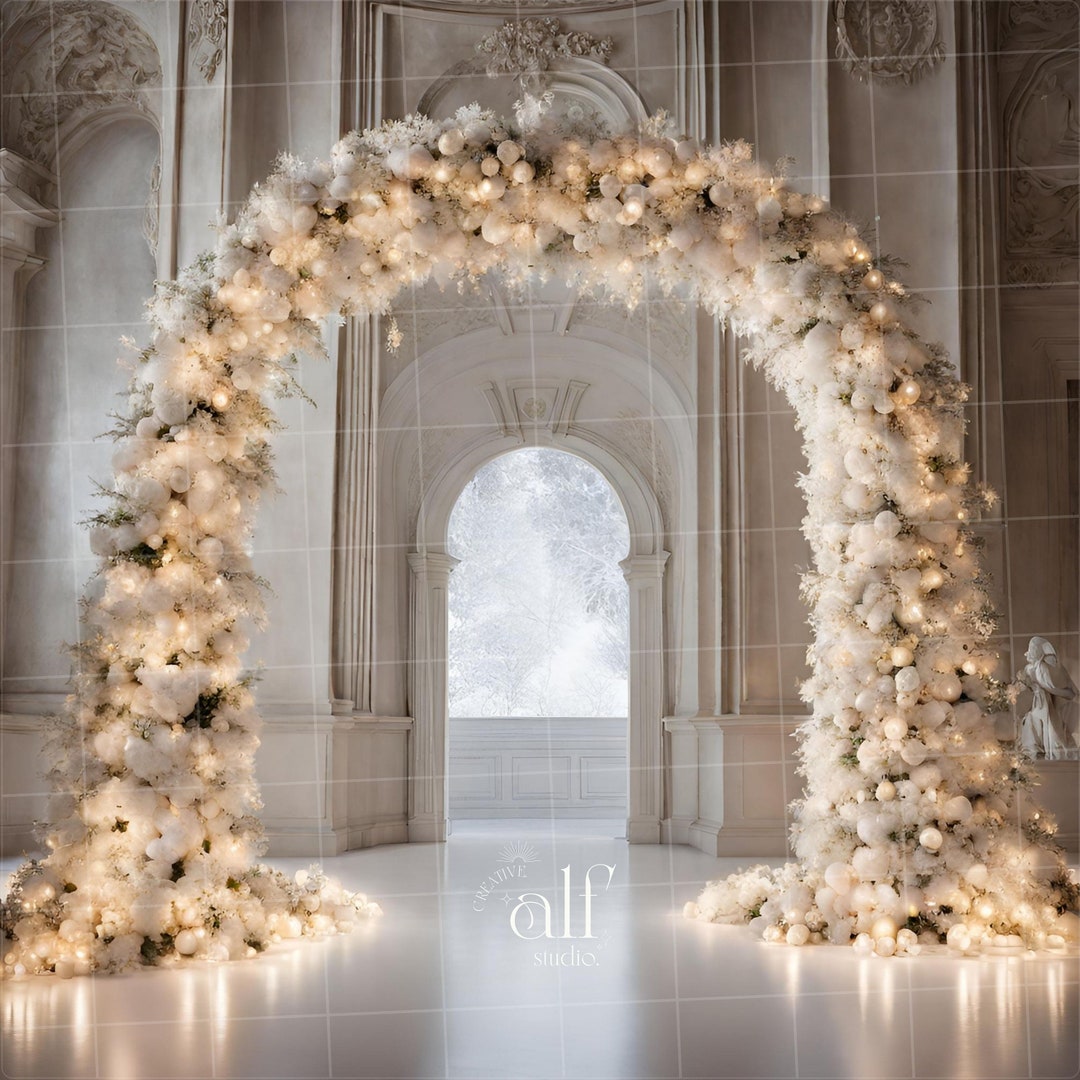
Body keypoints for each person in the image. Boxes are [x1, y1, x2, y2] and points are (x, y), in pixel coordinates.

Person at [1016, 636, 1079, 759]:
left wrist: (1065, 693)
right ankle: (1034, 750)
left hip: (1043, 700)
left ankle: (1047, 750)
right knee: (1034, 721)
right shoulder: (1029, 668)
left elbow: (1049, 687)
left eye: (1033, 649)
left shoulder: (1041, 667)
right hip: (1036, 699)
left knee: (1047, 722)